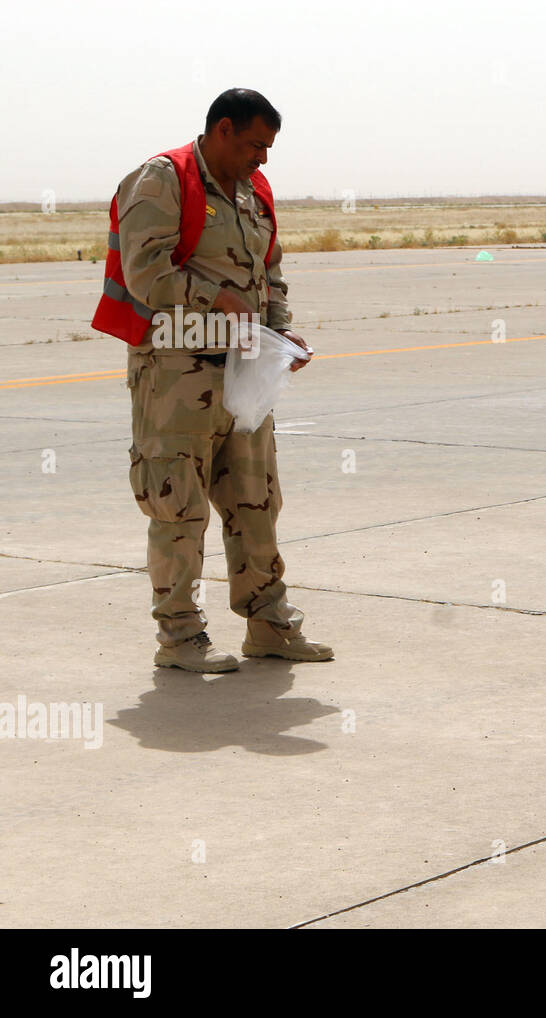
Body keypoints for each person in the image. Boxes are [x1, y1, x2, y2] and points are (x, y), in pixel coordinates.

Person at [92, 88, 332, 672]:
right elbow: (147, 273)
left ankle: (268, 625)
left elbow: (270, 274)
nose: (263, 159)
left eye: (268, 148)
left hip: (245, 375)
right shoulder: (162, 180)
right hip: (176, 375)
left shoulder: (254, 192)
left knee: (257, 502)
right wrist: (214, 298)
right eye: (255, 145)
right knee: (178, 508)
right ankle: (179, 638)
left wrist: (280, 334)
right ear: (223, 129)